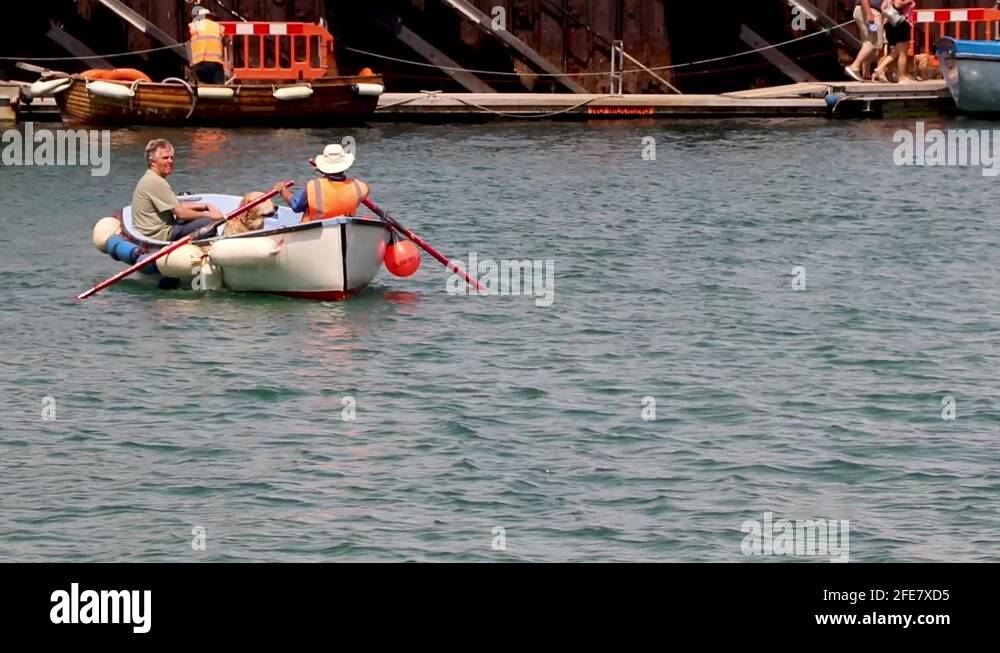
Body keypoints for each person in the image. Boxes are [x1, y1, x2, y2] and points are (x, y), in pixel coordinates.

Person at [131, 139, 223, 241]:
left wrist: (205, 206)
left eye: (172, 158)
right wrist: (209, 215)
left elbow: (176, 205)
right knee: (208, 222)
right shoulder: (156, 182)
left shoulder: (150, 177)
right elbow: (181, 213)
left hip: (154, 231)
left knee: (200, 217)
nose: (170, 161)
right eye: (165, 158)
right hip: (160, 234)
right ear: (152, 162)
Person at [273, 144, 370, 222]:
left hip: (316, 232)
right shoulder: (360, 187)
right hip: (346, 227)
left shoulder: (314, 186)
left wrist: (283, 190)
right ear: (345, 166)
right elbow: (337, 193)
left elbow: (297, 206)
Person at [873, 0, 916, 83]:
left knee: (895, 52)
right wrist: (908, 1)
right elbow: (898, 4)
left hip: (890, 24)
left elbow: (882, 7)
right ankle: (902, 77)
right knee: (902, 53)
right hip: (900, 23)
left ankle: (880, 68)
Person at [844, 0, 884, 82]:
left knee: (867, 42)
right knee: (874, 42)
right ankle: (854, 67)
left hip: (865, 10)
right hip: (869, 10)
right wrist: (869, 13)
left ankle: (866, 73)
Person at [189, 6, 226, 85]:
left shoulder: (194, 26)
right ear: (210, 17)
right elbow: (223, 42)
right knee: (219, 89)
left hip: (199, 63)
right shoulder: (218, 27)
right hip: (216, 63)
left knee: (201, 88)